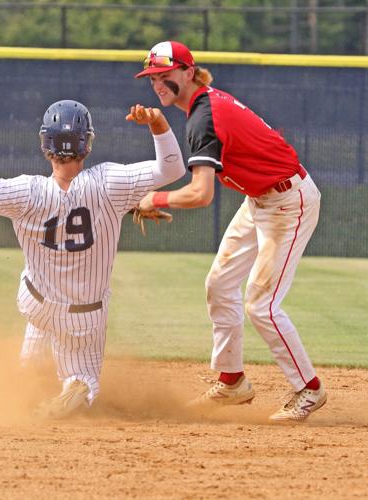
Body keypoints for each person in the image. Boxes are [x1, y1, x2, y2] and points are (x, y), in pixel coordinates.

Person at [0, 93, 185, 418]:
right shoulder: (110, 183)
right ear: (87, 144)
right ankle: (75, 385)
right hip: (83, 315)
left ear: (44, 144)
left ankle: (27, 381)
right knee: (84, 384)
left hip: (35, 302)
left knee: (30, 372)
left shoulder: (26, 192)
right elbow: (172, 168)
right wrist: (158, 123)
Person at [135, 41, 326, 422]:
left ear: (188, 72)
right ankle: (232, 381)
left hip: (288, 202)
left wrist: (154, 200)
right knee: (220, 285)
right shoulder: (204, 105)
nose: (158, 83)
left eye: (165, 75)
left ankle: (309, 390)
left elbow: (201, 194)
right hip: (259, 200)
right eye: (152, 77)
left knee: (261, 304)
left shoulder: (205, 117)